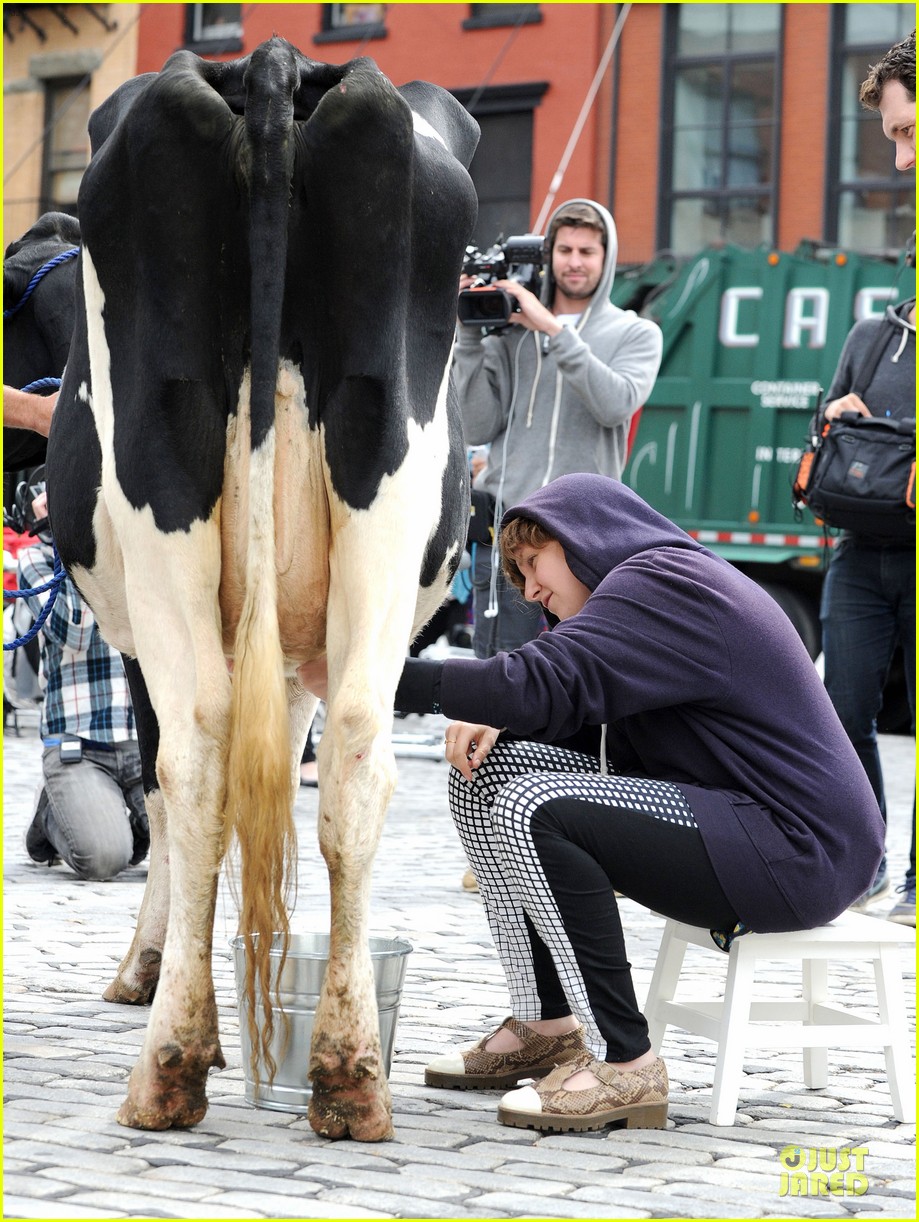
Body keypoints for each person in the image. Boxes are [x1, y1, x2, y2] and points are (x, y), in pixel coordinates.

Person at [298, 473, 884, 1133]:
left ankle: (626, 1063)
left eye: (533, 562)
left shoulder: (664, 582)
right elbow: (562, 702)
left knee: (533, 804)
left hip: (798, 849)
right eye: (515, 574)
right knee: (485, 771)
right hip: (736, 821)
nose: (530, 587)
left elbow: (542, 684)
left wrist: (373, 679)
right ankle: (546, 1026)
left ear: (587, 536)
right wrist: (502, 717)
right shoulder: (642, 595)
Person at [454, 199, 662, 659]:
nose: (573, 261)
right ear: (549, 256)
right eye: (564, 249)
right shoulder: (510, 334)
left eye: (586, 251)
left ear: (606, 260)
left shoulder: (636, 334)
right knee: (501, 684)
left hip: (585, 538)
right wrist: (468, 331)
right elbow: (476, 424)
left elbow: (615, 405)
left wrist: (553, 330)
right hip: (510, 533)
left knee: (578, 676)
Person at [817, 29, 915, 925]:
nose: (899, 154)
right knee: (838, 710)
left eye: (903, 131)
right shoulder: (872, 335)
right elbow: (826, 430)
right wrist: (841, 420)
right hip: (859, 551)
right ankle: (868, 858)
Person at [16, 479, 149, 880]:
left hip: (143, 747)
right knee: (106, 858)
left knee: (185, 854)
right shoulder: (38, 561)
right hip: (80, 747)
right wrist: (73, 543)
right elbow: (72, 631)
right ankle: (52, 815)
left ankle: (114, 818)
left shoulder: (140, 549)